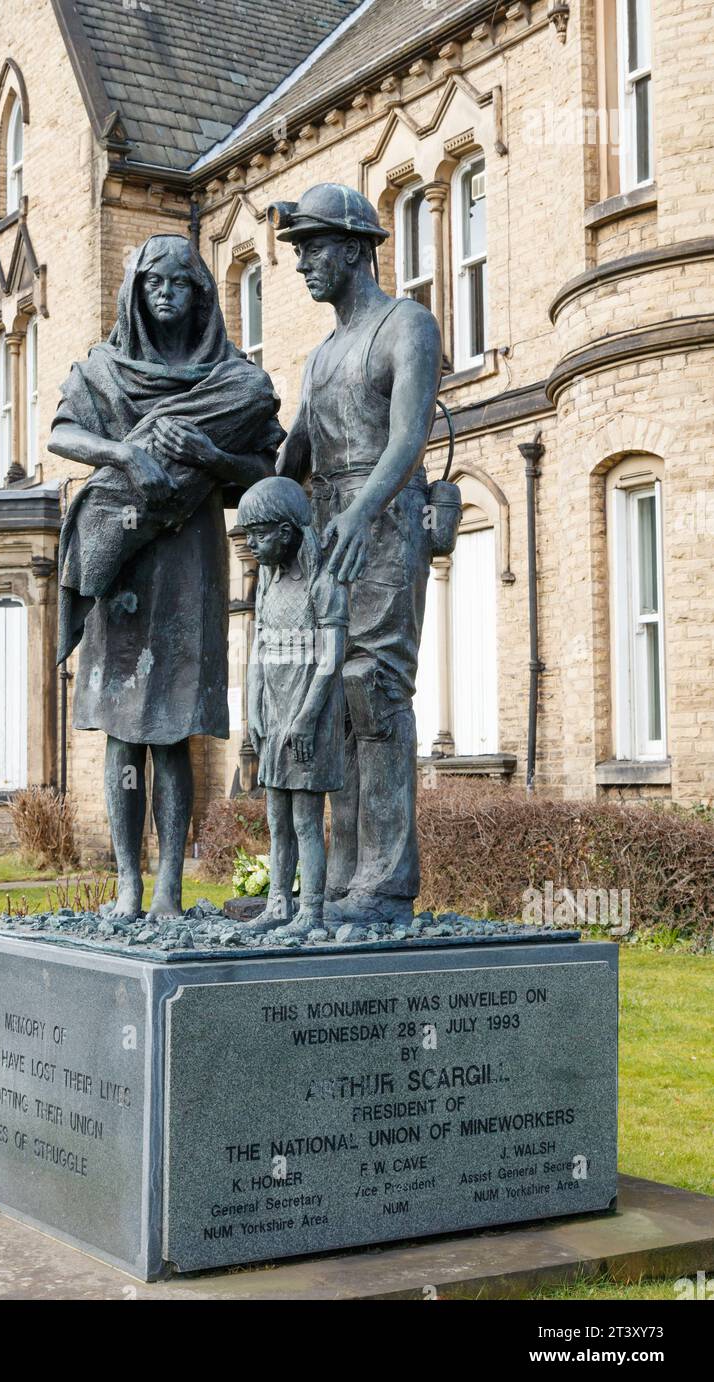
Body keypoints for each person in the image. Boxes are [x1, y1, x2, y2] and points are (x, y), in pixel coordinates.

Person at [49, 235, 283, 920]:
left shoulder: (233, 382)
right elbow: (64, 432)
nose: (167, 293)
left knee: (174, 730)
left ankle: (171, 890)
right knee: (124, 731)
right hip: (121, 561)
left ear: (202, 296)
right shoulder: (105, 370)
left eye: (181, 284)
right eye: (154, 281)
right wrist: (124, 456)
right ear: (134, 292)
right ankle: (127, 884)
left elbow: (267, 475)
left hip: (189, 565)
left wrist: (211, 456)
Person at [270, 183, 442, 926]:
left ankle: (388, 878)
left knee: (376, 691)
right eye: (299, 250)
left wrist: (361, 512)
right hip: (326, 529)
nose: (303, 263)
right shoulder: (320, 355)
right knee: (331, 700)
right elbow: (297, 450)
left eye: (312, 248)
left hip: (386, 521)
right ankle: (338, 877)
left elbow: (408, 439)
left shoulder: (408, 325)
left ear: (353, 248)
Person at [237, 476, 347, 931]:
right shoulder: (266, 584)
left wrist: (304, 719)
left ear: (286, 532)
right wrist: (252, 710)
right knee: (276, 817)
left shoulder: (324, 583)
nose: (251, 545)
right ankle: (278, 904)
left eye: (259, 534)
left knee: (305, 818)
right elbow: (258, 652)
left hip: (310, 717)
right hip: (275, 717)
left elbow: (329, 660)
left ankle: (311, 911)